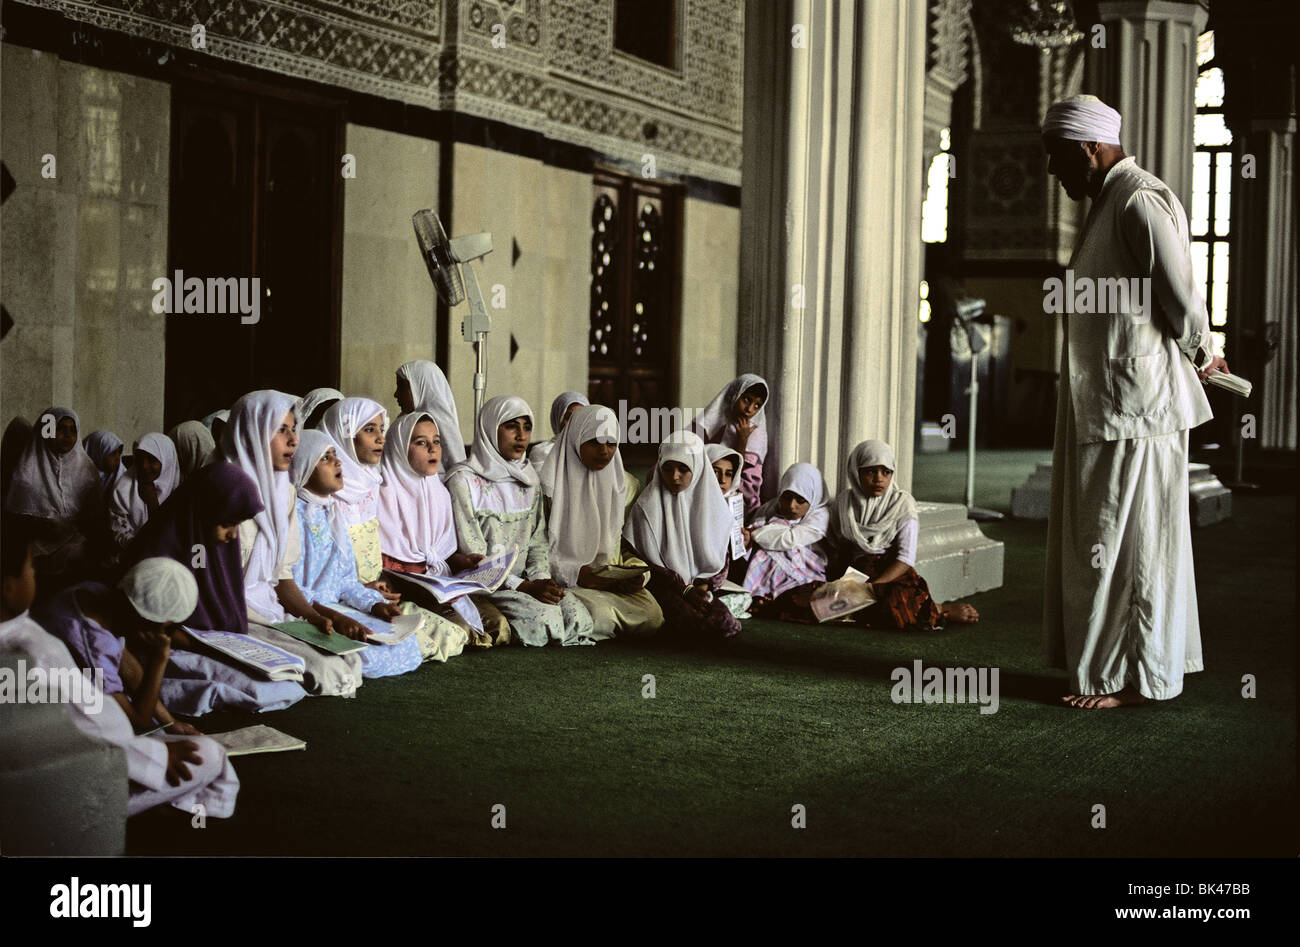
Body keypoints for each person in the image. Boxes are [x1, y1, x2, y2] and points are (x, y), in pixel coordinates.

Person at [1040, 95, 1226, 709]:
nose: (1052, 170)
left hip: (1136, 407)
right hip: (1112, 403)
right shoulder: (1110, 201)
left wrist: (1204, 352)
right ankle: (1123, 670)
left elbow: (1180, 293)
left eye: (1058, 156)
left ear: (1089, 148)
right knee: (1111, 537)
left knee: (1134, 540)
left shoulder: (1138, 199)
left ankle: (1127, 676)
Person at [1, 516, 239, 819]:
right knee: (210, 756)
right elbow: (130, 723)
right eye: (31, 569)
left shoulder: (92, 595)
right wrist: (159, 661)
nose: (36, 576)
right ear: (9, 588)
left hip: (79, 749)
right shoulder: (53, 647)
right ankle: (148, 811)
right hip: (78, 769)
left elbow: (124, 663)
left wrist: (168, 722)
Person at [121, 462, 307, 715]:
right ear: (203, 511)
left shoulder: (212, 544)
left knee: (287, 682)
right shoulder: (158, 547)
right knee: (260, 689)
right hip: (165, 648)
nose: (233, 535)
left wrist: (224, 642)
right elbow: (143, 625)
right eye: (228, 523)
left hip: (210, 643)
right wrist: (203, 643)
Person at [221, 390, 363, 697]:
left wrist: (313, 617)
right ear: (252, 433)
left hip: (267, 608)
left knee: (349, 660)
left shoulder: (282, 491)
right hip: (229, 613)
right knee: (320, 672)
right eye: (281, 430)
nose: (293, 440)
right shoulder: (219, 489)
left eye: (293, 430)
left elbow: (281, 577)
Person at [324, 397, 474, 660]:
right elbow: (318, 572)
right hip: (343, 598)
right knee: (406, 645)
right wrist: (364, 590)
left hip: (375, 593)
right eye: (369, 430)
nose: (380, 439)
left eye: (381, 430)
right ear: (344, 435)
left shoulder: (370, 485)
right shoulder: (328, 496)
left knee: (454, 634)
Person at [446, 395, 596, 647]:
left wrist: (541, 579)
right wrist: (524, 586)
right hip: (486, 583)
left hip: (526, 582)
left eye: (527, 427)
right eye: (511, 426)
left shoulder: (529, 479)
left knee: (578, 618)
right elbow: (474, 554)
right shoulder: (463, 481)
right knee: (546, 623)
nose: (521, 435)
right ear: (491, 428)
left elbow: (538, 541)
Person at [290, 430, 423, 678]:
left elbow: (345, 581)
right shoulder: (294, 516)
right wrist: (334, 616)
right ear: (303, 466)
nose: (338, 462)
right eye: (325, 458)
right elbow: (292, 589)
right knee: (358, 654)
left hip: (336, 607)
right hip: (308, 612)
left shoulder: (331, 512)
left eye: (335, 455)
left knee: (405, 643)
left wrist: (374, 605)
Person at [377, 411, 501, 650]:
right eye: (421, 443)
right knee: (463, 630)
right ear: (401, 448)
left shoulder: (439, 493)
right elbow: (385, 561)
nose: (432, 449)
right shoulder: (385, 494)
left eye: (436, 441)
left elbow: (439, 554)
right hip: (405, 591)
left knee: (497, 625)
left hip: (440, 584)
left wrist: (463, 561)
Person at [539, 404, 663, 640]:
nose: (604, 451)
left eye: (611, 443)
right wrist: (575, 572)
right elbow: (539, 545)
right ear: (576, 439)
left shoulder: (625, 486)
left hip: (612, 581)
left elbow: (627, 546)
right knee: (600, 616)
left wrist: (636, 574)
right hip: (571, 580)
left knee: (653, 615)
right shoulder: (549, 485)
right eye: (594, 442)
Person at [831, 439, 978, 631]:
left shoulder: (902, 504)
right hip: (857, 572)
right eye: (870, 471)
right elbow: (838, 548)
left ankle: (940, 609)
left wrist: (874, 586)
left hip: (891, 573)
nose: (879, 479)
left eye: (886, 472)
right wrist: (840, 582)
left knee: (901, 608)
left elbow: (905, 558)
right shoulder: (844, 504)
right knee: (820, 604)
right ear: (856, 472)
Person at [623, 430, 740, 640]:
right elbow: (644, 562)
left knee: (725, 623)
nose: (674, 476)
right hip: (664, 587)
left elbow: (722, 556)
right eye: (667, 469)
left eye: (683, 469)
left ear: (697, 468)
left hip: (699, 586)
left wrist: (706, 585)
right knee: (687, 624)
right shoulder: (647, 507)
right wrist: (684, 590)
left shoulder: (714, 506)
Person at [4, 406, 102, 591]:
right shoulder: (27, 473)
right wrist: (44, 526)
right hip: (36, 549)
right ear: (46, 432)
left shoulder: (87, 471)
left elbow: (95, 519)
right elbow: (17, 522)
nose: (67, 435)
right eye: (60, 429)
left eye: (73, 430)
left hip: (74, 545)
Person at [742, 462, 831, 612]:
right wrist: (751, 535)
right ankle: (766, 594)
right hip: (772, 567)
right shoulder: (773, 506)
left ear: (813, 497)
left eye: (800, 500)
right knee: (766, 548)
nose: (791, 505)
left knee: (781, 546)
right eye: (786, 497)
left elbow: (789, 539)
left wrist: (755, 533)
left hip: (807, 569)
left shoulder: (821, 515)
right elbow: (753, 526)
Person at [692, 374, 771, 516]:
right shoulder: (720, 419)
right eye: (747, 400)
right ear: (735, 395)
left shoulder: (755, 434)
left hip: (736, 493)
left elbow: (740, 481)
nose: (749, 409)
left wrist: (742, 440)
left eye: (757, 405)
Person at [108, 433, 180, 549]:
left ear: (167, 460)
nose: (144, 466)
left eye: (152, 460)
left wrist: (153, 504)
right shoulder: (123, 490)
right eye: (139, 459)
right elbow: (118, 534)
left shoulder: (179, 492)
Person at [395, 360, 465, 471]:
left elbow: (458, 469)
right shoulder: (401, 425)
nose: (396, 394)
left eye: (401, 386)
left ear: (419, 387)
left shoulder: (444, 426)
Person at [528, 390, 589, 474]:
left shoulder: (592, 451)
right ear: (557, 418)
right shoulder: (543, 453)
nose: (575, 423)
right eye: (569, 417)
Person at [83, 430, 125, 500]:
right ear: (97, 454)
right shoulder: (78, 476)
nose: (118, 458)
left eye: (119, 453)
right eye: (113, 453)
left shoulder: (122, 478)